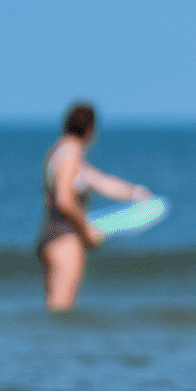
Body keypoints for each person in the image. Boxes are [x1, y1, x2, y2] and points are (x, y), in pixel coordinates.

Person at [37, 103, 152, 311]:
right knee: (63, 311)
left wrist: (136, 193)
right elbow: (64, 200)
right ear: (90, 130)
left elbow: (100, 181)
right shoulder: (72, 151)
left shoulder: (58, 151)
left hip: (49, 237)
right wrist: (86, 230)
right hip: (67, 239)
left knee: (54, 310)